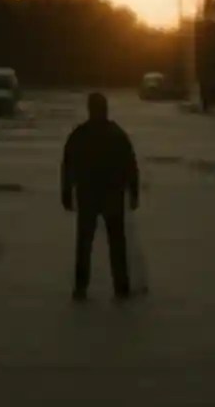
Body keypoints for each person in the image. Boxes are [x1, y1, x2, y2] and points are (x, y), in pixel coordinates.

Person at [61, 92, 139, 301]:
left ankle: (80, 287)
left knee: (84, 244)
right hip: (112, 195)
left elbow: (68, 165)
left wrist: (67, 192)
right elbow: (130, 165)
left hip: (88, 195)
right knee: (116, 243)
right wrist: (133, 192)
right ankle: (121, 287)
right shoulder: (116, 134)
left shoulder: (79, 134)